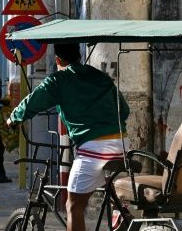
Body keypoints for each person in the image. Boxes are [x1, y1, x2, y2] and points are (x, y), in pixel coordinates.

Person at [7, 43, 129, 231]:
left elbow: (33, 101)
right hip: (121, 142)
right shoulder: (100, 76)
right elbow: (125, 110)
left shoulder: (59, 80)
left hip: (94, 149)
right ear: (79, 55)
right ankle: (118, 213)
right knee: (102, 186)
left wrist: (14, 118)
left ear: (57, 60)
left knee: (72, 206)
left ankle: (117, 214)